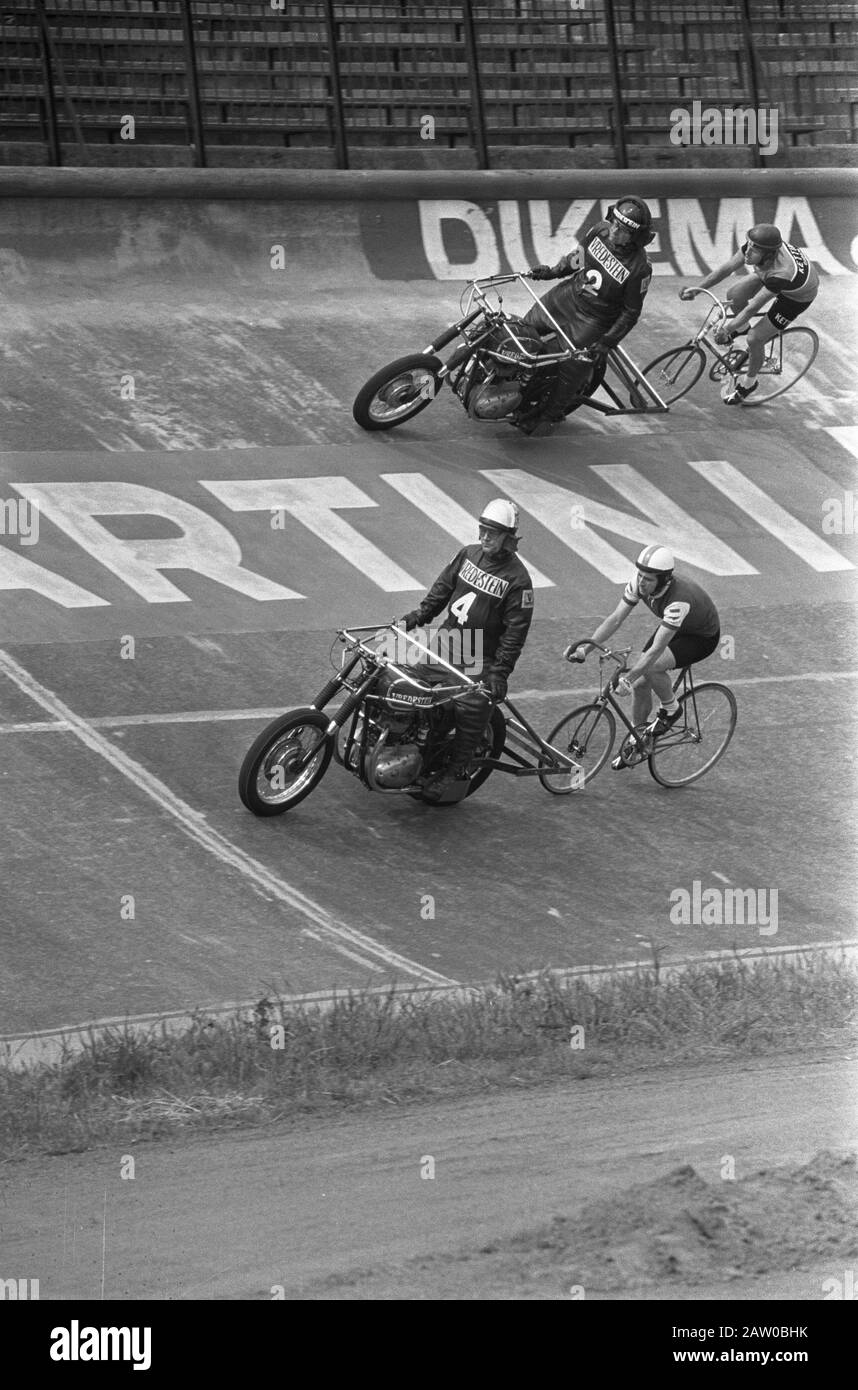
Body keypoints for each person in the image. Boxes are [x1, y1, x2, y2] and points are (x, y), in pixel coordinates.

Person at [400, 499, 534, 801]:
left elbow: (515, 633)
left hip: (479, 657)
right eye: (483, 530)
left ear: (508, 539)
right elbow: (441, 590)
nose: (485, 537)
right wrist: (419, 615)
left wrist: (499, 673)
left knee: (471, 709)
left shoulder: (518, 580)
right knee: (406, 688)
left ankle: (456, 770)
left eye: (493, 533)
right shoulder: (467, 554)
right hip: (445, 644)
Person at [564, 544, 720, 770]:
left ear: (664, 580)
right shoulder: (640, 583)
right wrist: (585, 650)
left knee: (651, 666)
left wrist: (628, 677)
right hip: (677, 627)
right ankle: (639, 737)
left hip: (701, 637)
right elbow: (615, 618)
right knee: (639, 683)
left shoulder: (678, 600)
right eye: (640, 575)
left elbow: (656, 650)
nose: (642, 582)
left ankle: (671, 708)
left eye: (648, 579)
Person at [520, 196, 655, 435]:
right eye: (614, 222)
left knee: (572, 367)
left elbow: (631, 312)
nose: (614, 231)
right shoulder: (599, 231)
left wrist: (606, 342)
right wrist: (553, 272)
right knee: (523, 329)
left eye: (623, 230)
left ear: (635, 237)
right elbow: (578, 257)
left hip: (594, 319)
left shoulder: (640, 268)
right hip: (569, 295)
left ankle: (550, 415)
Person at [680, 223, 819, 404]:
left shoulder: (781, 273)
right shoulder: (756, 247)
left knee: (754, 338)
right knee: (734, 296)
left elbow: (752, 308)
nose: (747, 252)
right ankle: (742, 327)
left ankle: (749, 383)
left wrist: (728, 329)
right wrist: (696, 289)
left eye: (754, 250)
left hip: (796, 297)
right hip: (771, 275)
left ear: (768, 255)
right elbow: (726, 269)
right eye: (749, 245)